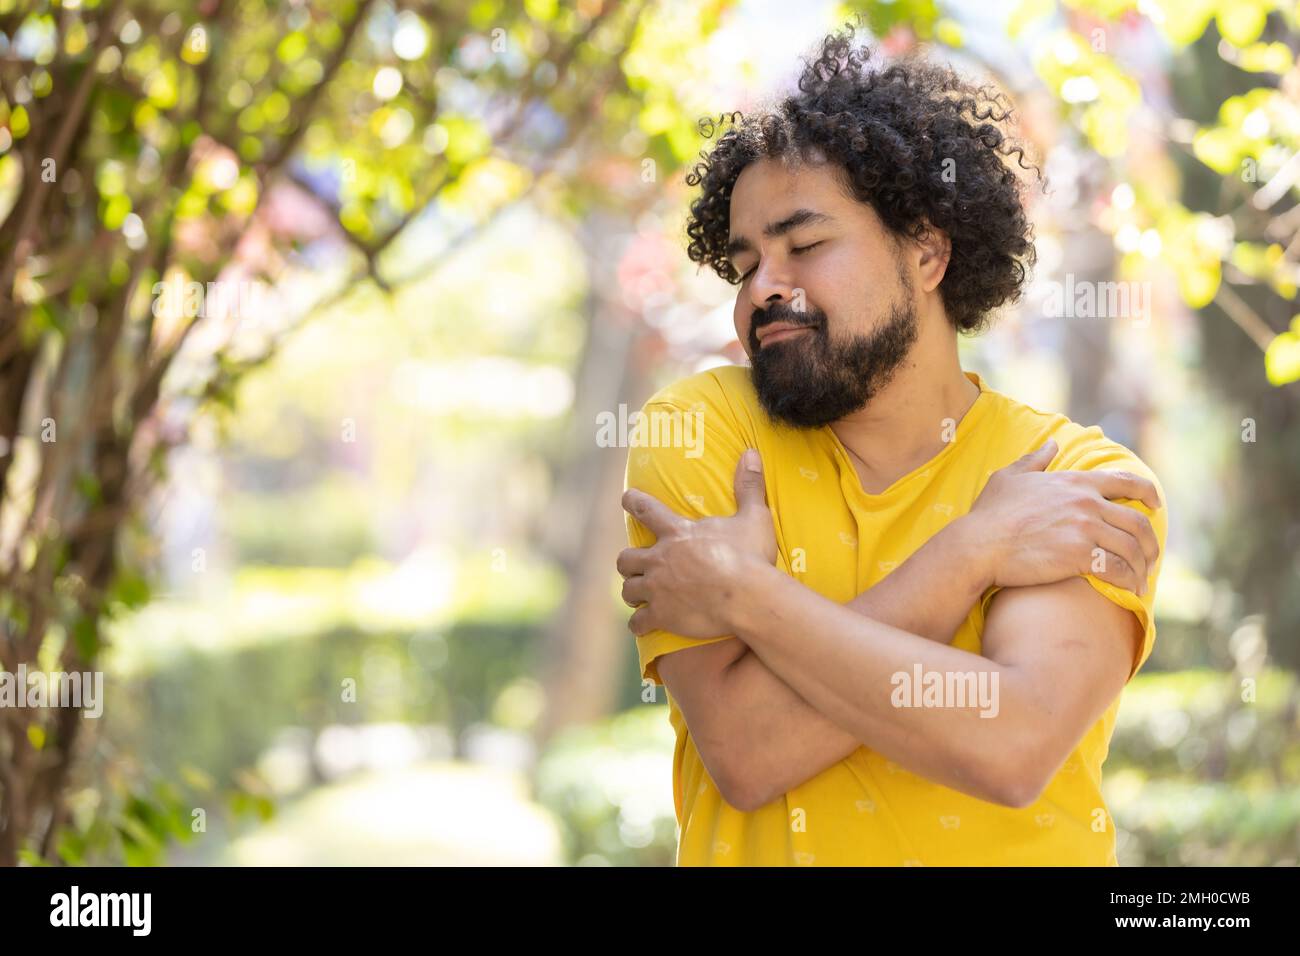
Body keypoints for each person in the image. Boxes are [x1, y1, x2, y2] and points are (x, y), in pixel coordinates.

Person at [615, 27, 1167, 866]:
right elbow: (746, 752)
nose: (763, 288)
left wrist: (744, 598)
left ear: (928, 251)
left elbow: (1011, 745)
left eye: (805, 246)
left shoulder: (1078, 481)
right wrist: (975, 551)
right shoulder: (704, 432)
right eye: (744, 264)